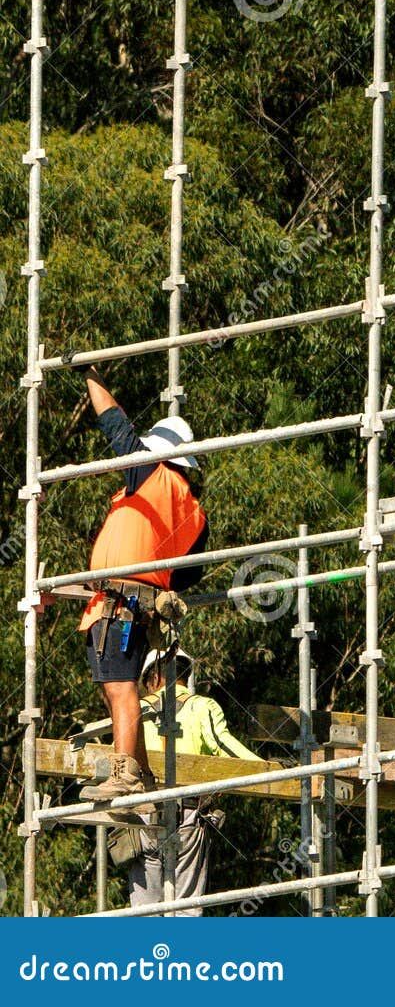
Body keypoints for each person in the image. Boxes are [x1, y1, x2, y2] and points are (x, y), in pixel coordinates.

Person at [74, 373, 208, 804]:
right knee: (120, 685)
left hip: (122, 606)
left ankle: (126, 777)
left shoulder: (156, 478)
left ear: (161, 456)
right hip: (128, 603)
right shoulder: (189, 508)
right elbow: (189, 573)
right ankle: (144, 776)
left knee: (121, 688)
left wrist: (93, 378)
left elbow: (115, 425)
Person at [113, 649, 263, 914]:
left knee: (145, 911)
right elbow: (224, 746)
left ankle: (147, 954)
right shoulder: (202, 706)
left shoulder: (135, 710)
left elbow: (116, 755)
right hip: (187, 815)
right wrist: (266, 769)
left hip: (144, 815)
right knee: (185, 908)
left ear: (154, 678)